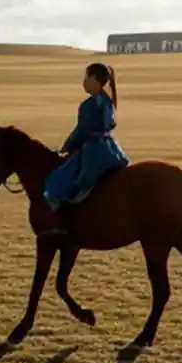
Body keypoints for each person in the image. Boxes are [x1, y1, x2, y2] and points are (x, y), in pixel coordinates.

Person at [41, 62, 130, 246]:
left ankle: (63, 226)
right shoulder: (108, 101)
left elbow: (81, 131)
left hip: (94, 151)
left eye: (87, 78)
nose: (84, 82)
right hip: (111, 149)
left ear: (96, 80)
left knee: (60, 183)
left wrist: (66, 146)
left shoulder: (89, 105)